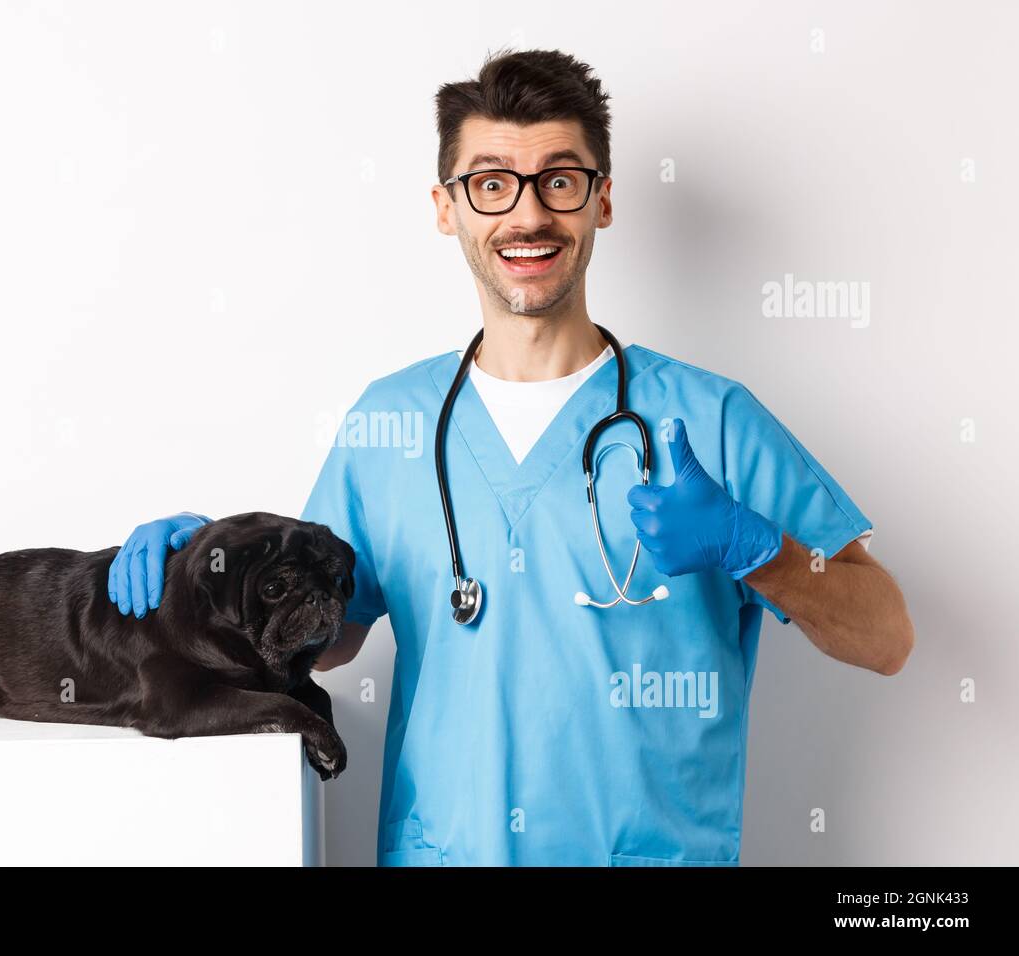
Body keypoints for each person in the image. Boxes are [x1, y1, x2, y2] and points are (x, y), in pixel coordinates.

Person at [106, 48, 914, 866]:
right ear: (446, 207)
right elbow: (325, 637)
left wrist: (757, 550)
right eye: (492, 184)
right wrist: (207, 571)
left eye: (559, 181)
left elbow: (887, 637)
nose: (527, 216)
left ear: (601, 201)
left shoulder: (711, 419)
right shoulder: (389, 424)